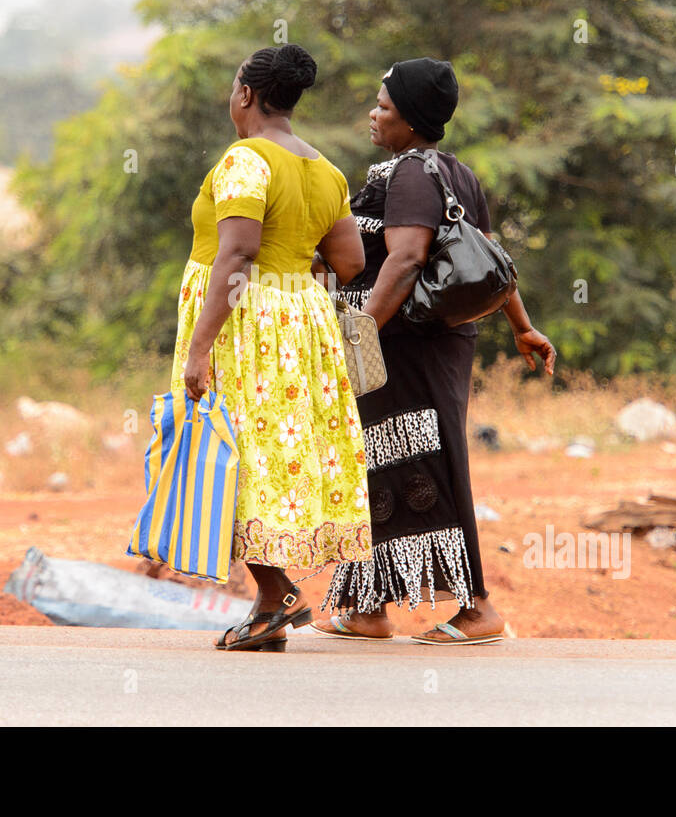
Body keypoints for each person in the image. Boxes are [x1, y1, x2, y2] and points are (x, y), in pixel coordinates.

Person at [317, 57, 556, 645]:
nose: (373, 114)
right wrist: (522, 327)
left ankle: (478, 609)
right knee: (387, 464)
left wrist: (359, 335)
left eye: (385, 107)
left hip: (406, 347)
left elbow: (404, 262)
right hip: (423, 344)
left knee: (428, 464)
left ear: (413, 119)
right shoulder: (456, 173)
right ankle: (368, 606)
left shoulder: (412, 176)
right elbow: (492, 261)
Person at [176, 43, 370, 652]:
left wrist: (199, 348)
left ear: (246, 96)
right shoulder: (326, 170)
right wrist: (295, 263)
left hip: (248, 325)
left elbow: (235, 254)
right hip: (301, 322)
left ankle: (276, 593)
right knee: (271, 451)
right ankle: (270, 602)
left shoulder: (245, 160)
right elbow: (350, 261)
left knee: (234, 450)